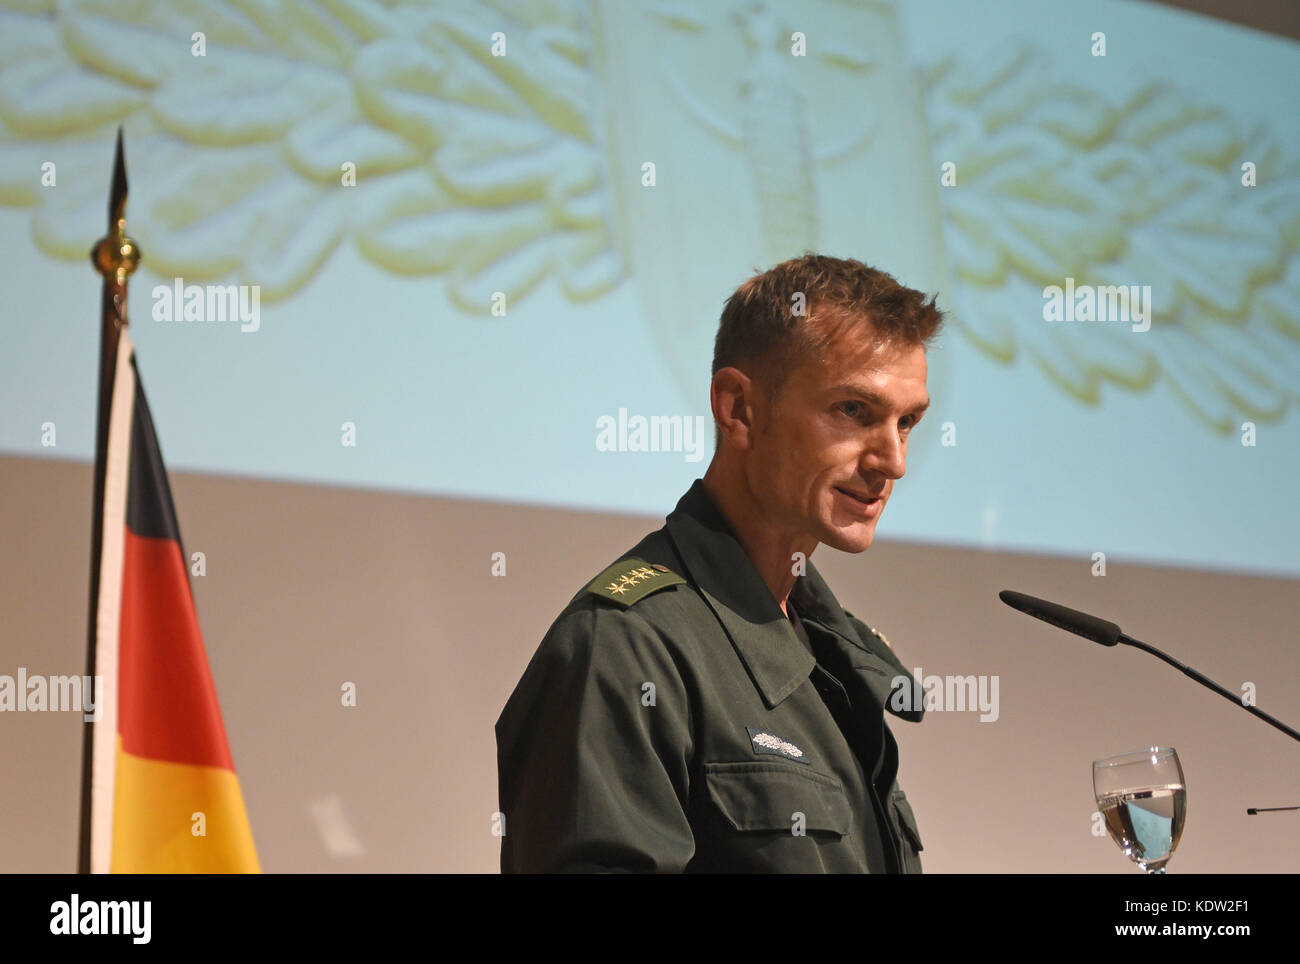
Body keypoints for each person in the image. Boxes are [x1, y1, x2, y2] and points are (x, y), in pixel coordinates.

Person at [495, 254, 944, 872]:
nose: (892, 460)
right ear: (738, 408)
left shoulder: (838, 654)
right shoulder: (625, 648)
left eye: (908, 422)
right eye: (854, 411)